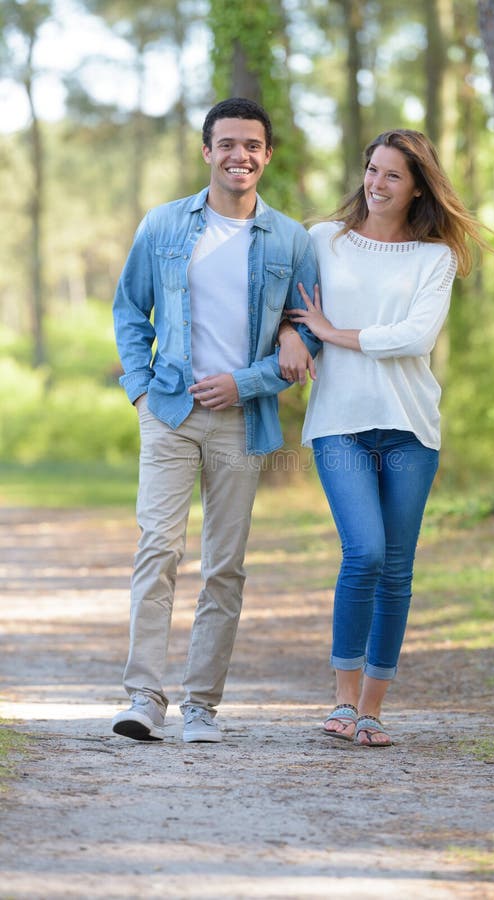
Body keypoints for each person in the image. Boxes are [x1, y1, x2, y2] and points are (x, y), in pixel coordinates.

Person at [111, 97, 319, 744]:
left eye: (252, 145)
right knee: (157, 551)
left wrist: (246, 381)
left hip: (242, 419)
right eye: (227, 143)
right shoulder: (165, 226)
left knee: (224, 564)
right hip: (169, 412)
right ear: (207, 151)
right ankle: (145, 697)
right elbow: (128, 310)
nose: (240, 155)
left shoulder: (290, 238)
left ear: (267, 154)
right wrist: (141, 391)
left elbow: (310, 331)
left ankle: (201, 705)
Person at [284, 129, 488, 747]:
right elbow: (288, 312)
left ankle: (372, 709)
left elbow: (415, 338)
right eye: (372, 169)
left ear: (417, 186)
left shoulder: (436, 258)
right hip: (339, 424)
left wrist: (334, 330)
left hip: (410, 429)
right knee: (365, 554)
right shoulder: (324, 240)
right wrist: (298, 336)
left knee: (397, 571)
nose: (376, 183)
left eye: (393, 175)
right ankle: (343, 702)